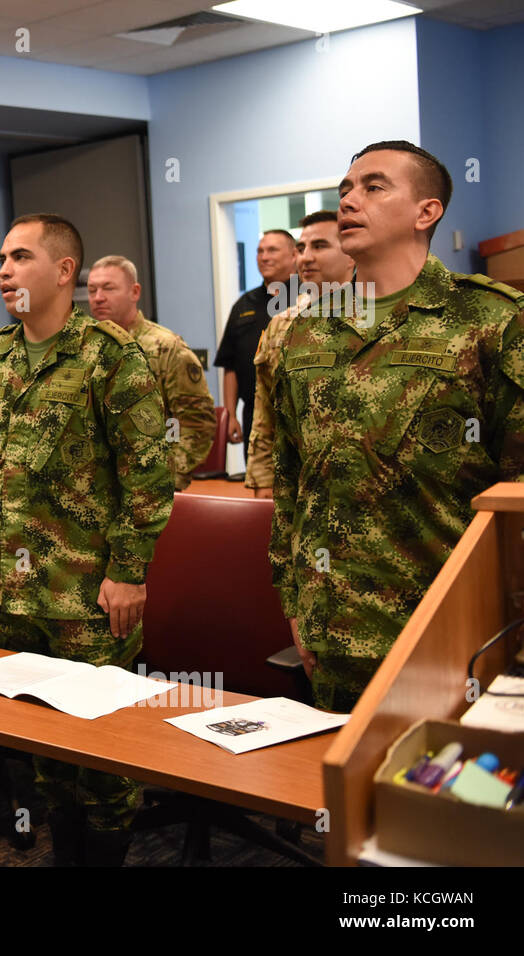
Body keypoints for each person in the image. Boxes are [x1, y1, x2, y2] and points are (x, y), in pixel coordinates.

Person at [272, 141, 524, 712]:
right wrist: (295, 596)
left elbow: (518, 498)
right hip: (331, 625)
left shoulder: (492, 320)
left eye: (373, 187)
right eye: (345, 190)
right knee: (339, 791)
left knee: (448, 794)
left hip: (451, 629)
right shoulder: (306, 331)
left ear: (426, 212)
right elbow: (292, 480)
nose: (349, 201)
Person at [0, 215, 174, 865]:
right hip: (15, 589)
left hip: (89, 590)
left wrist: (130, 571)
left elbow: (147, 474)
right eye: (1, 257)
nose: (3, 269)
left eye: (20, 256)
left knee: (102, 748)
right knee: (41, 743)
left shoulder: (111, 356)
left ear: (64, 273)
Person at [245, 211, 355, 496]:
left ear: (351, 255)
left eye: (320, 246)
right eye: (302, 249)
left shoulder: (374, 319)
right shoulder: (282, 325)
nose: (305, 258)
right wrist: (262, 480)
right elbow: (265, 412)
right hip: (298, 489)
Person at [86, 255, 215, 490]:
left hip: (151, 488)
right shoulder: (85, 348)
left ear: (135, 292)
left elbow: (194, 422)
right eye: (92, 290)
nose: (98, 298)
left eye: (108, 288)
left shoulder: (167, 348)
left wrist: (169, 475)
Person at [215, 229, 296, 458]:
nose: (264, 256)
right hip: (254, 415)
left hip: (297, 414)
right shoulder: (243, 304)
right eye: (260, 251)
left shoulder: (308, 298)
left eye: (272, 250)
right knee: (259, 488)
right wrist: (231, 415)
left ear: (294, 256)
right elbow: (229, 365)